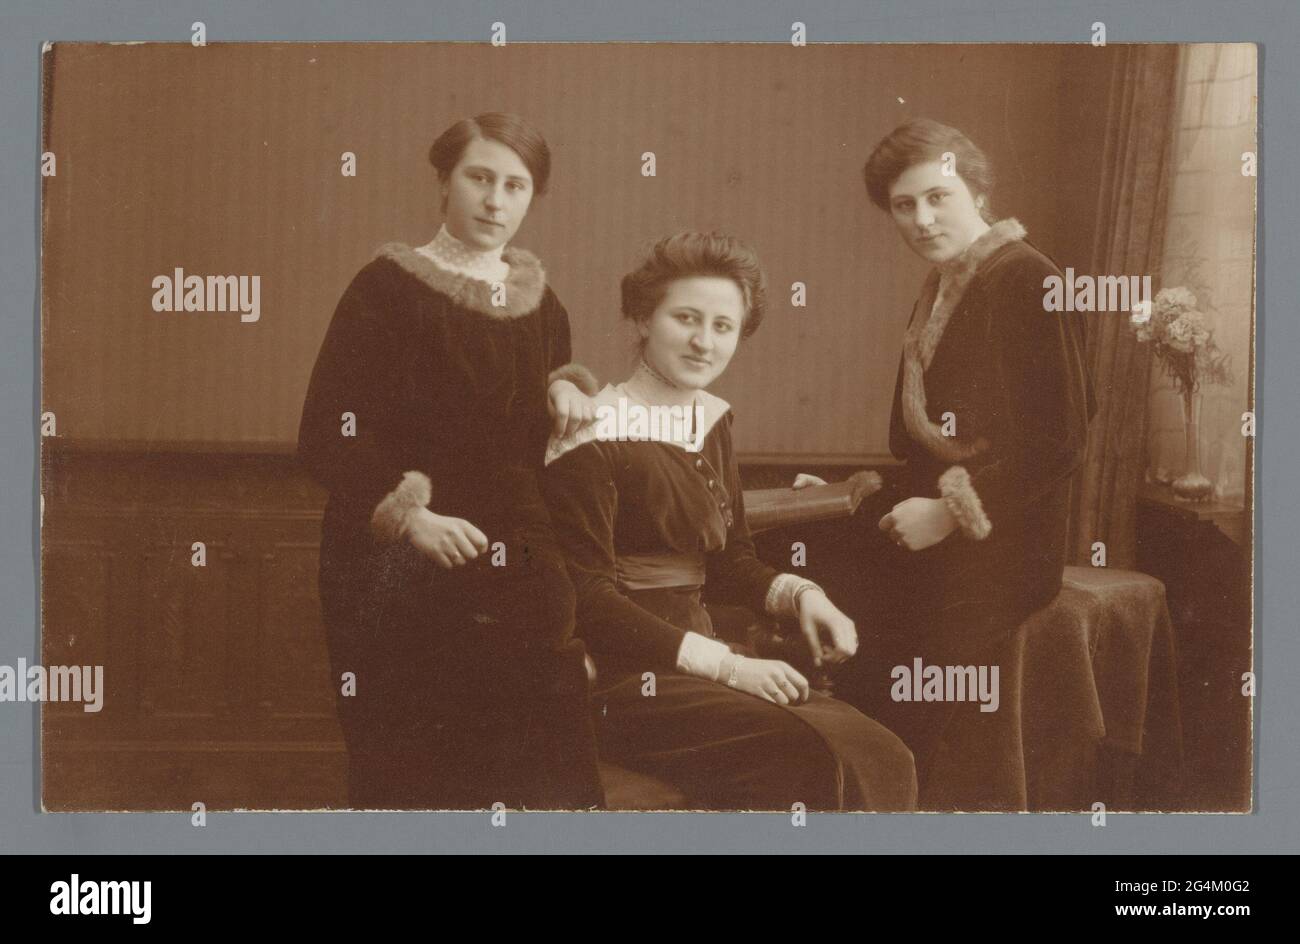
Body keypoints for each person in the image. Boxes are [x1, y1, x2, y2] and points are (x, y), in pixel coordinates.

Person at [541, 232, 917, 811]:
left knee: (880, 751)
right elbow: (588, 596)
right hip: (623, 675)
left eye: (723, 326)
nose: (703, 342)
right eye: (685, 318)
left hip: (703, 652)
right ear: (643, 320)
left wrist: (803, 596)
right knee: (802, 754)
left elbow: (731, 561)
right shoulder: (593, 430)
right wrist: (729, 667)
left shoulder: (711, 421)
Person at [297, 113, 604, 810]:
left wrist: (561, 386)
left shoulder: (543, 305)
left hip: (517, 558)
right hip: (398, 562)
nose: (497, 201)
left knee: (536, 763)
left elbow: (532, 434)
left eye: (516, 185)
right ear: (444, 182)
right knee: (413, 763)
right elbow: (326, 430)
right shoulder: (386, 288)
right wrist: (412, 519)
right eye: (480, 178)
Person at [830, 118, 1096, 805]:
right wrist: (861, 489)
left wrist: (950, 514)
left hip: (1002, 542)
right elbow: (918, 443)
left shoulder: (1028, 277)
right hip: (941, 520)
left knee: (916, 704)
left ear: (974, 188)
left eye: (937, 197)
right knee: (826, 566)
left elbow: (1058, 442)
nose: (921, 219)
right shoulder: (944, 284)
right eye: (903, 206)